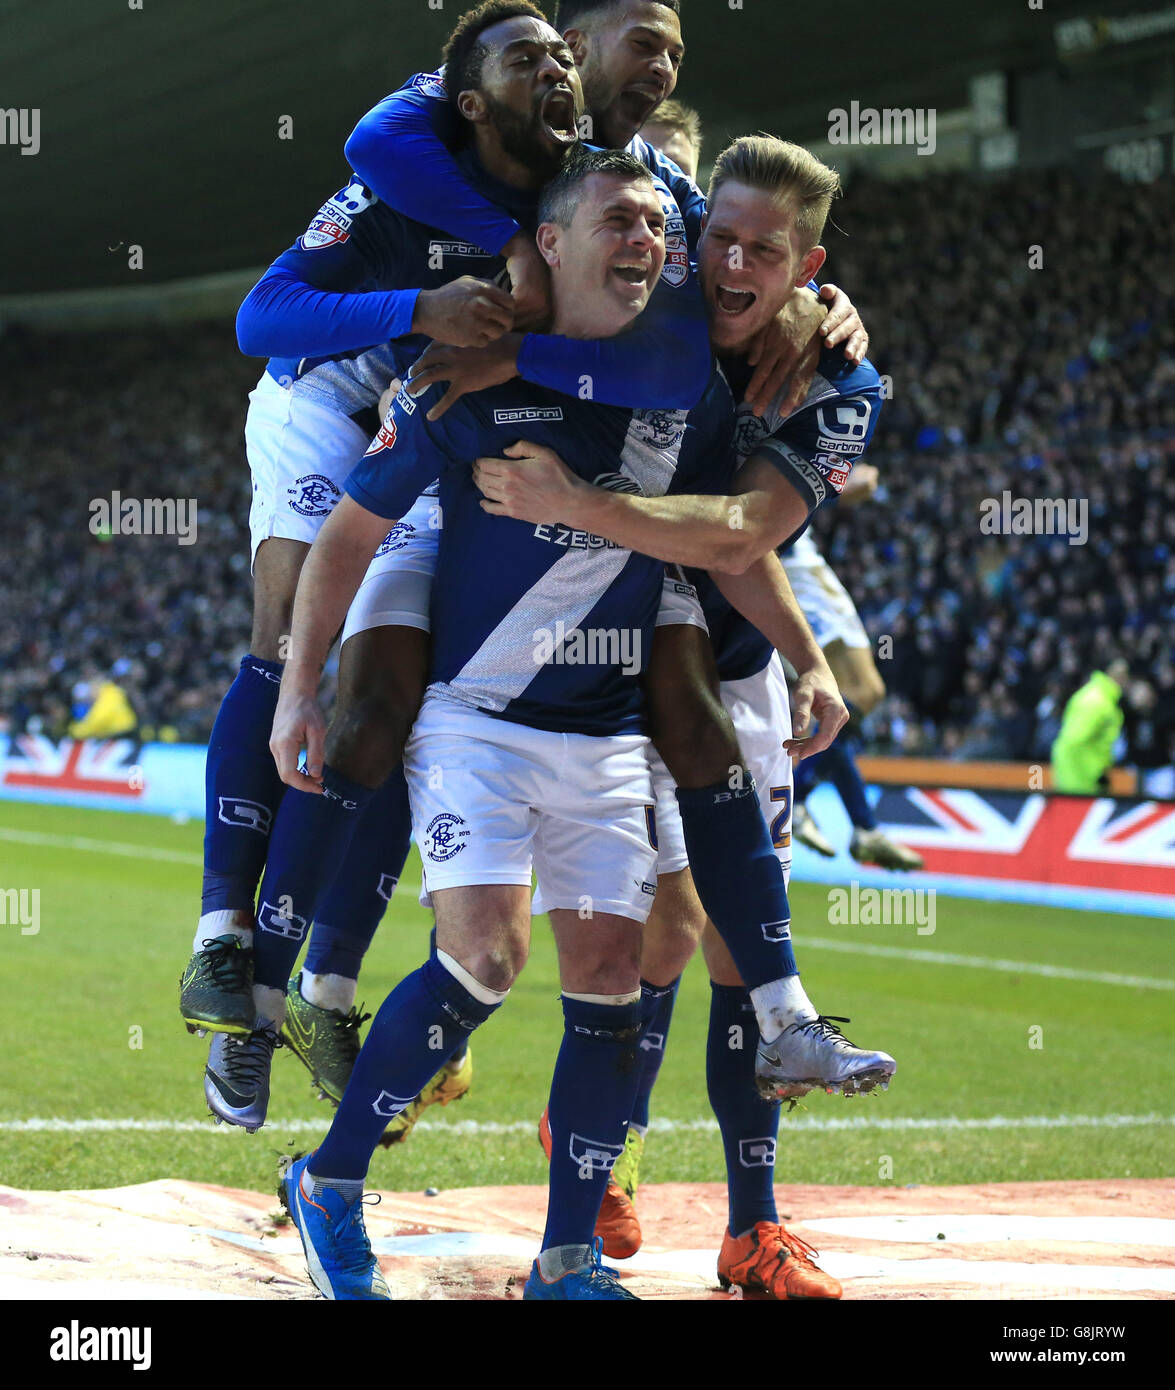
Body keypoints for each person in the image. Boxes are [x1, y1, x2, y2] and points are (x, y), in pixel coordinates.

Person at [274, 148, 741, 1301]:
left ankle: (566, 1260)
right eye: (616, 221)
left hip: (606, 730)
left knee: (609, 979)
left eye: (652, 224)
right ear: (547, 242)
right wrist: (296, 685)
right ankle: (330, 1183)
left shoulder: (690, 386)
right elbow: (344, 537)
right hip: (478, 720)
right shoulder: (457, 385)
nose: (644, 240)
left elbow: (741, 524)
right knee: (484, 957)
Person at [476, 134, 898, 1298]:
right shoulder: (642, 291)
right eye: (717, 235)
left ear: (806, 266)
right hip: (601, 655)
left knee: (714, 937)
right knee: (640, 938)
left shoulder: (837, 377)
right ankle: (600, 1169)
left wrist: (806, 656)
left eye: (764, 253)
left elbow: (737, 540)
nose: (729, 264)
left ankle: (749, 1228)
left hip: (733, 655)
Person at [1051, 659, 1129, 793]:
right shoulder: (1096, 701)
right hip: (1081, 779)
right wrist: (1093, 775)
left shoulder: (1100, 697)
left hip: (1086, 775)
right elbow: (1074, 741)